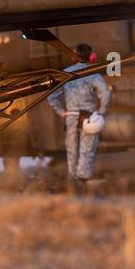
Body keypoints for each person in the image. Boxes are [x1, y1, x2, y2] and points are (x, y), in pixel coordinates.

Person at [46, 43, 111, 190]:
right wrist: (101, 111)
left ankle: (72, 178)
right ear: (90, 56)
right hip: (88, 117)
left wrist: (61, 111)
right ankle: (82, 179)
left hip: (72, 116)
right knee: (87, 148)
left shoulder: (65, 73)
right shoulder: (93, 73)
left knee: (71, 148)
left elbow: (52, 97)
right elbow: (105, 93)